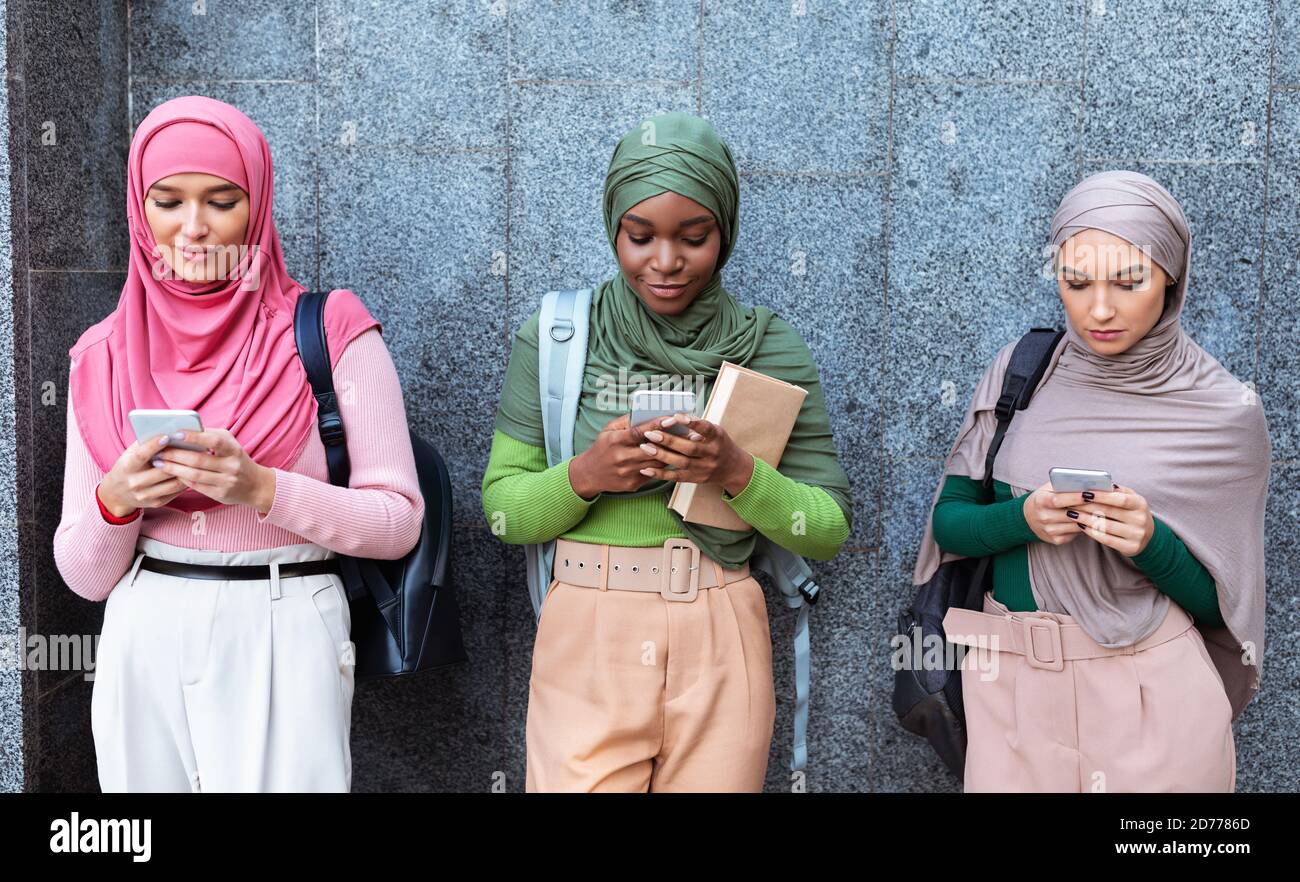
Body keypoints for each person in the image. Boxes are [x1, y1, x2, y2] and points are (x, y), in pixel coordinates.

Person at [53, 95, 423, 793]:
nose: (193, 228)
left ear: (257, 204)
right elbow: (84, 574)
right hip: (144, 627)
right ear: (140, 208)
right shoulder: (100, 354)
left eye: (221, 201)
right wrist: (114, 502)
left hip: (283, 622)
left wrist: (262, 490)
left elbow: (399, 522)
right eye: (168, 201)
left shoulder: (330, 331)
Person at [482, 111, 853, 792]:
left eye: (693, 237)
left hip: (722, 626)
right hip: (587, 630)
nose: (665, 262)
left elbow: (826, 529)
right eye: (639, 236)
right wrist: (585, 476)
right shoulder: (560, 335)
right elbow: (503, 512)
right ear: (612, 226)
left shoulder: (770, 345)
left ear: (726, 230)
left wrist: (736, 471)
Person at [912, 170, 1270, 793]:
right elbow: (948, 525)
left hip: (1149, 693)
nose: (1098, 309)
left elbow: (1225, 610)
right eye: (1076, 283)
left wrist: (1149, 541)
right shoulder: (1023, 372)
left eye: (1128, 283)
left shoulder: (1223, 412)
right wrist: (1019, 522)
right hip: (1009, 690)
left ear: (1171, 276)